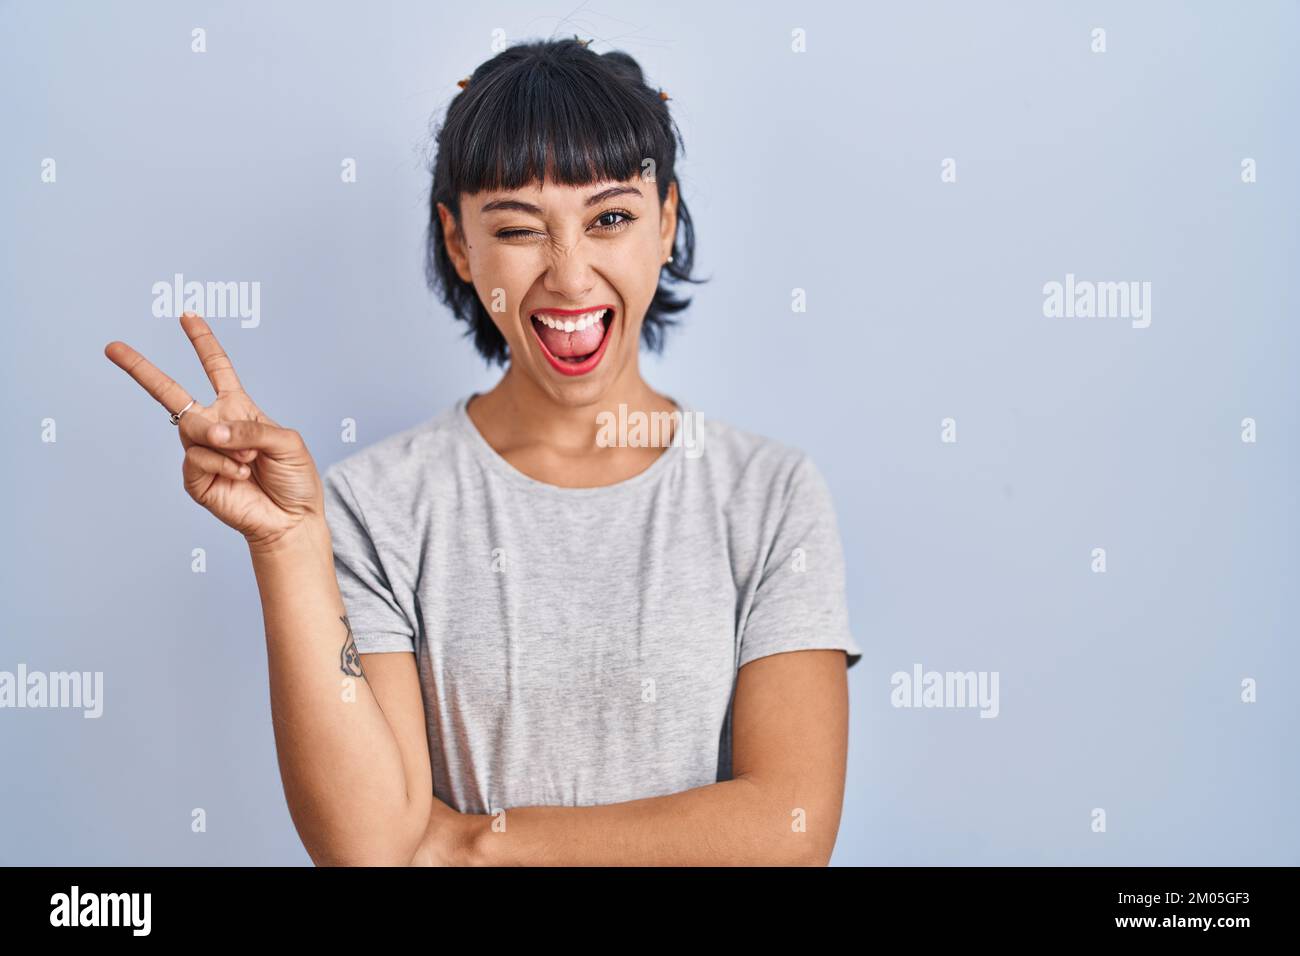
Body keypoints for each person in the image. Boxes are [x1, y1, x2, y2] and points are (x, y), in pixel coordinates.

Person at [104, 37, 861, 866]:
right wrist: (286, 544)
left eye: (611, 218)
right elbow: (368, 847)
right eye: (518, 229)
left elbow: (790, 831)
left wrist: (472, 846)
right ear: (461, 244)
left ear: (667, 222)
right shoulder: (374, 503)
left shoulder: (771, 495)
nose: (570, 278)